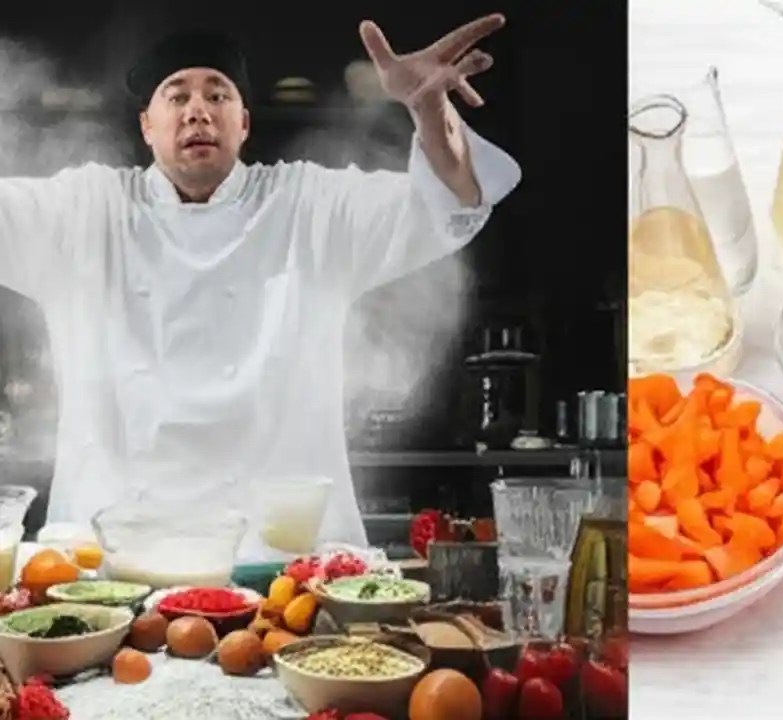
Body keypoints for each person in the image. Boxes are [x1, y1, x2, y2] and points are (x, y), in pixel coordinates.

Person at [0, 16, 521, 559]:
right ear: (146, 125)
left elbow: (450, 199)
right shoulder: (86, 212)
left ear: (243, 122)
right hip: (110, 565)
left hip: (283, 564)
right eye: (176, 96)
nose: (197, 110)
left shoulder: (307, 205)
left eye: (217, 94)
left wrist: (427, 111)